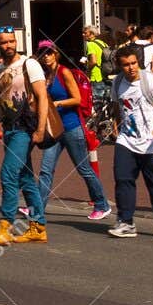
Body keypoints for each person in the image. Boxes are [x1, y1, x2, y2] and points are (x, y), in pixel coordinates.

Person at [0, 29, 50, 244]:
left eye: (12, 41)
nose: (9, 45)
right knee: (24, 178)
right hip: (10, 128)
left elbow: (42, 97)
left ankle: (6, 226)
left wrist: (40, 129)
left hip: (26, 128)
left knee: (8, 174)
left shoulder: (28, 65)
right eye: (3, 42)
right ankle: (38, 226)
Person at [34, 41, 111, 221]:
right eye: (42, 53)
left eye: (49, 53)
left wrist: (57, 103)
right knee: (46, 169)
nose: (46, 56)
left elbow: (77, 99)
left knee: (83, 168)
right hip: (54, 128)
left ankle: (102, 205)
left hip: (71, 126)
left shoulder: (64, 72)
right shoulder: (46, 75)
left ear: (55, 54)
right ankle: (37, 208)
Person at [108, 45, 153, 239]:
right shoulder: (118, 82)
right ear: (119, 66)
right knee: (123, 179)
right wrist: (115, 123)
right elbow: (116, 104)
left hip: (151, 141)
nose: (131, 68)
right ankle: (126, 222)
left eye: (133, 63)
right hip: (126, 140)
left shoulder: (151, 81)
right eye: (126, 64)